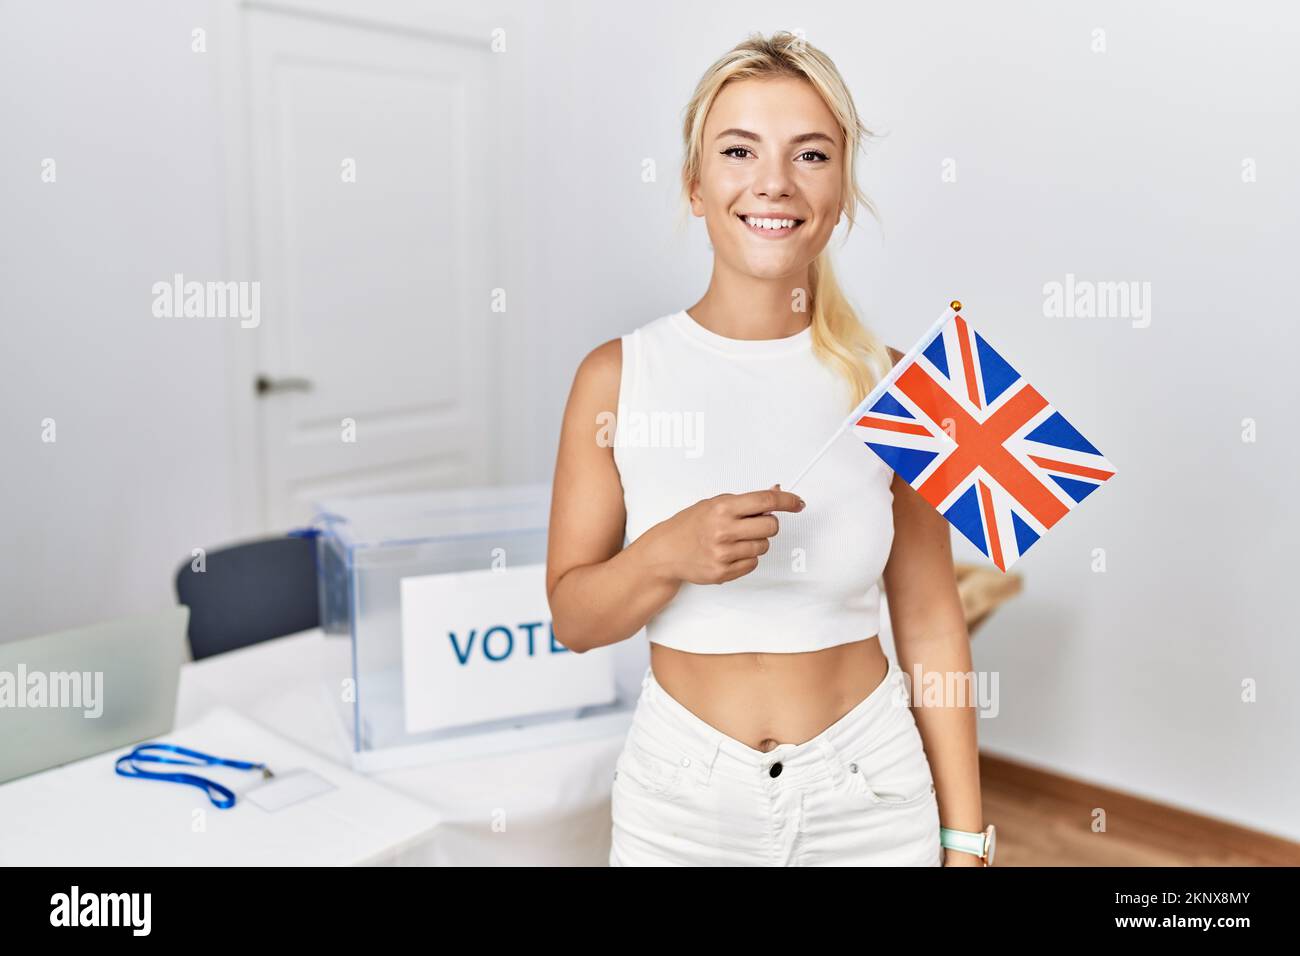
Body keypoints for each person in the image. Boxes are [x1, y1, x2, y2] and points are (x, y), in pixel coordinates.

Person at [546, 30, 987, 866]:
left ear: (843, 188)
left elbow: (931, 622)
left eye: (811, 154)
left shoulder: (899, 387)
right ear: (694, 185)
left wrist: (967, 841)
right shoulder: (615, 377)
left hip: (872, 793)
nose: (774, 183)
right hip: (678, 804)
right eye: (739, 150)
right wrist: (666, 554)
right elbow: (573, 620)